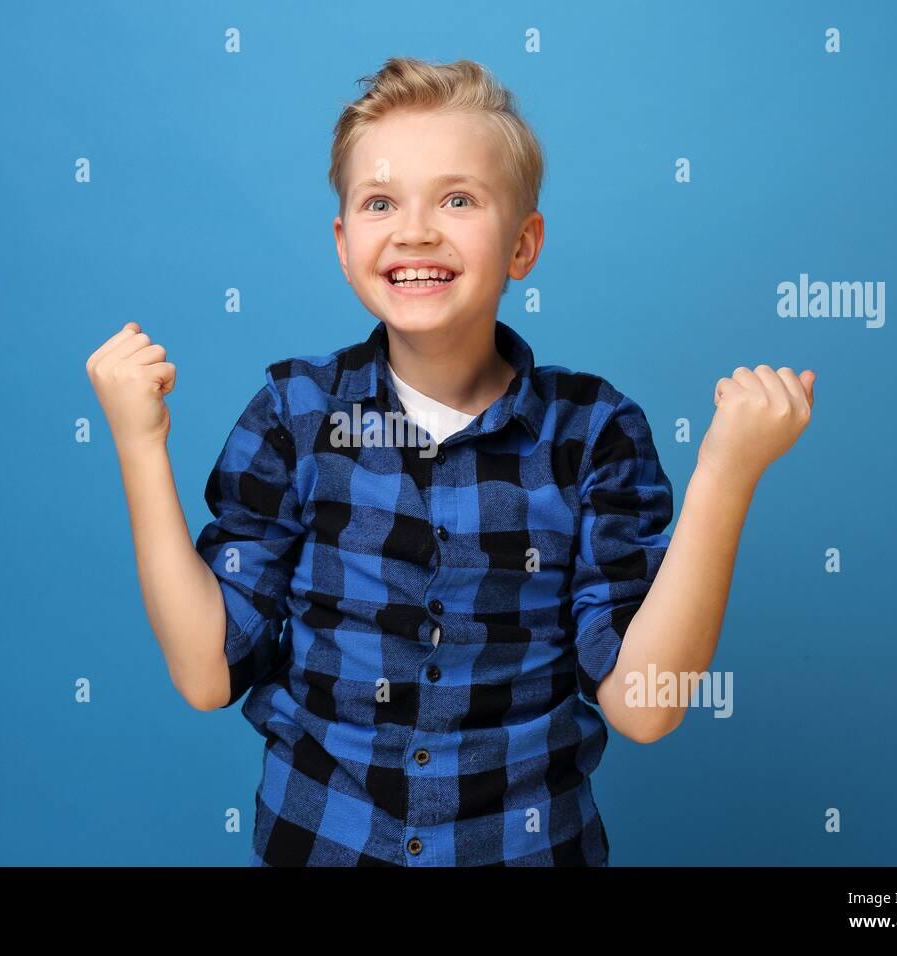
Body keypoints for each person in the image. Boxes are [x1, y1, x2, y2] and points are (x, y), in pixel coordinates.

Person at [86, 56, 815, 866]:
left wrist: (727, 471)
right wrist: (139, 443)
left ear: (523, 244)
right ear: (343, 241)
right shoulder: (293, 416)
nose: (415, 230)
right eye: (380, 202)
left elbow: (646, 707)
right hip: (321, 844)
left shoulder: (593, 432)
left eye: (458, 199)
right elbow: (205, 673)